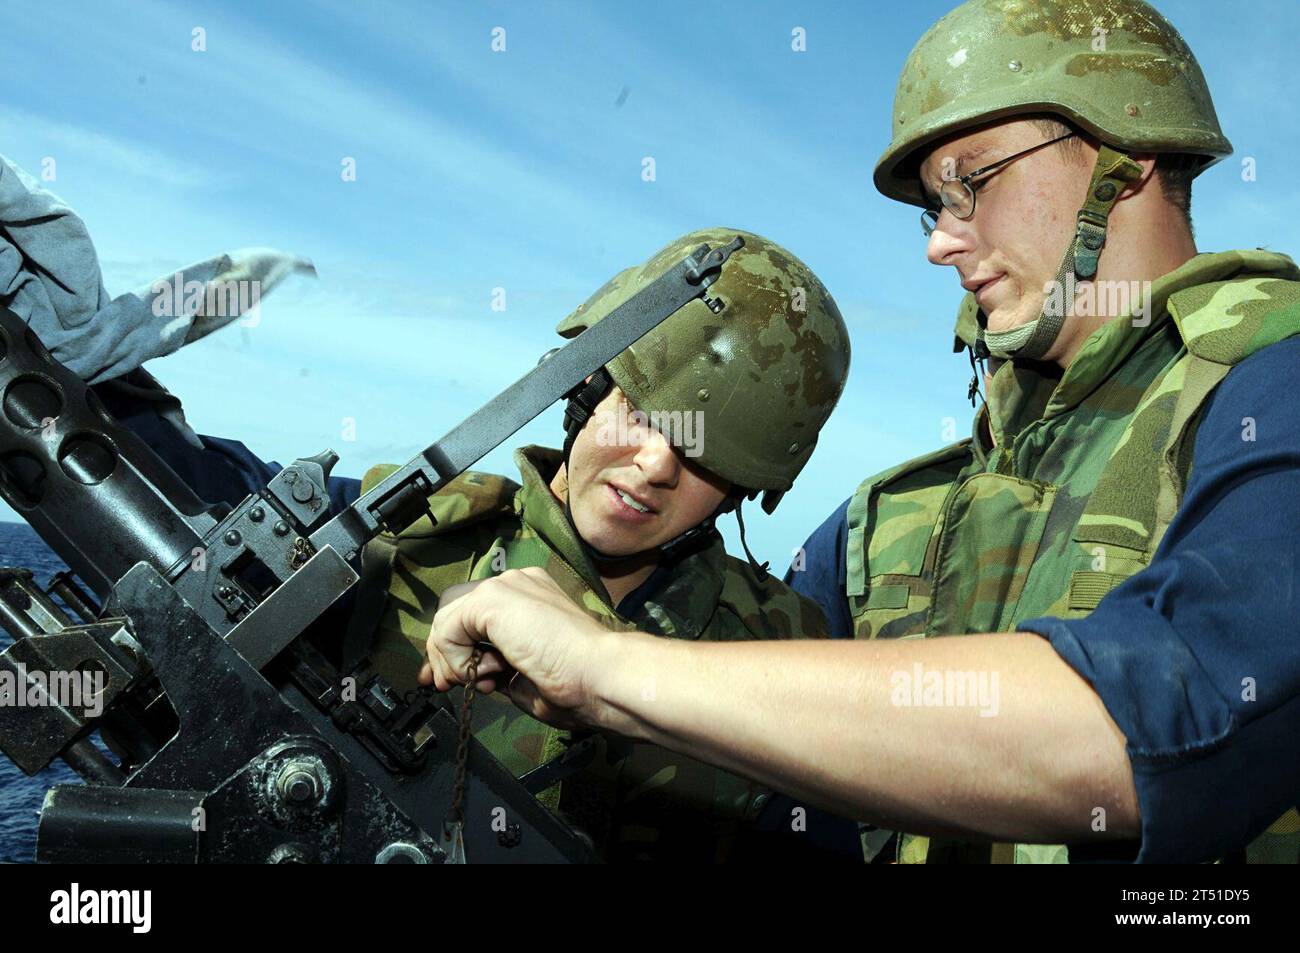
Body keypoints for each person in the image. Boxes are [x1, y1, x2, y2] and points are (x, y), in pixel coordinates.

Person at [423, 0, 1300, 865]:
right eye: (935, 204)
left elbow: (1147, 730)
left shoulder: (1269, 391)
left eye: (974, 182)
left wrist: (606, 670)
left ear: (1128, 159)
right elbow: (755, 707)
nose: (940, 244)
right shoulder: (888, 526)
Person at [354, 227, 853, 862]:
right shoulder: (398, 536)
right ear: (586, 387)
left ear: (741, 490)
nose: (654, 466)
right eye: (642, 414)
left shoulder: (783, 658)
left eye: (705, 455)